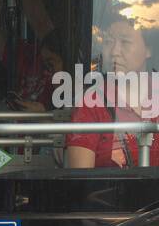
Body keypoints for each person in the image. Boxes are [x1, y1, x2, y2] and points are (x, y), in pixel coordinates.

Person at [66, 17, 159, 169]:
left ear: (148, 49)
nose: (114, 51)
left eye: (125, 42)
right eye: (108, 41)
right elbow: (81, 183)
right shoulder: (91, 103)